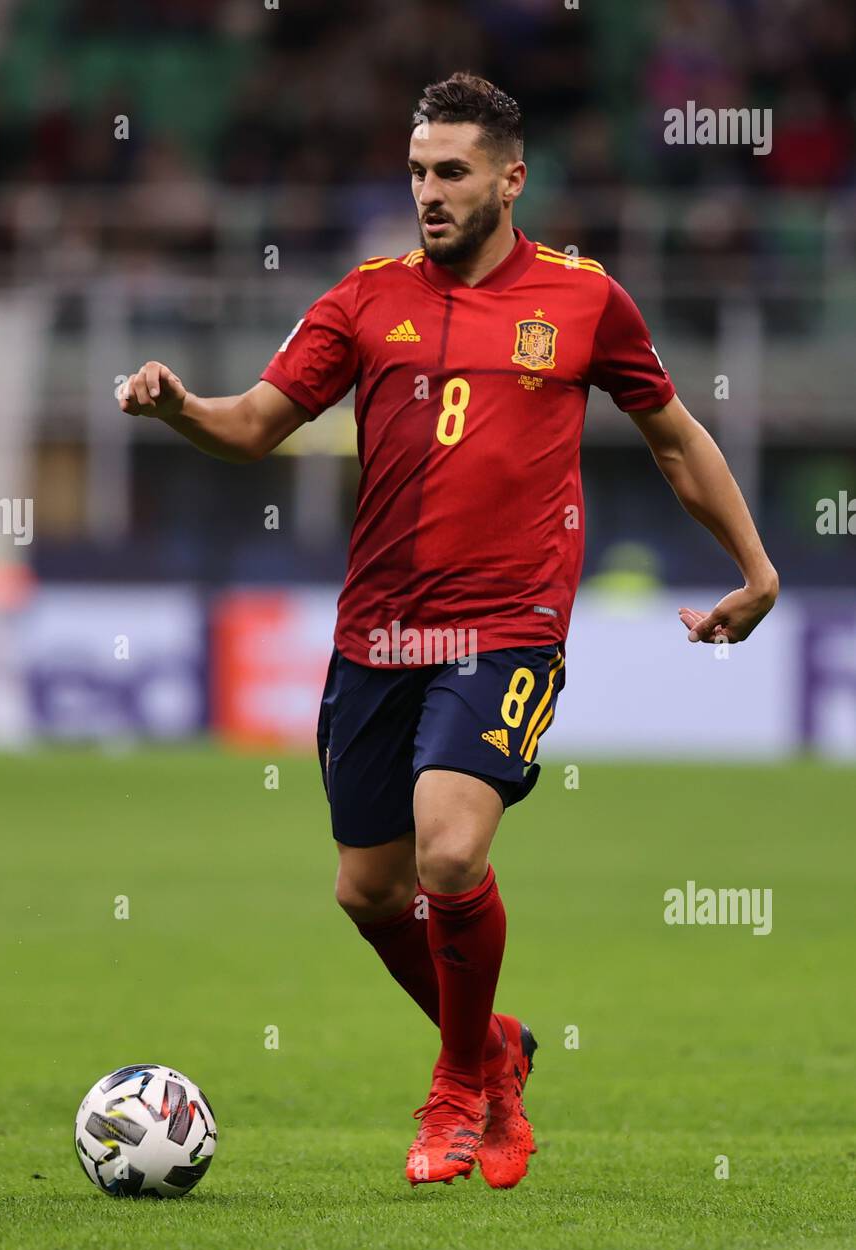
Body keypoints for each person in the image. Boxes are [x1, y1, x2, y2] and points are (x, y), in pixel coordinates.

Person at [119, 72, 779, 1190]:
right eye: (418, 170)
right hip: (378, 631)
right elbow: (256, 427)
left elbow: (673, 439)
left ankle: (456, 1087)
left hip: (507, 624)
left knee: (449, 849)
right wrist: (182, 405)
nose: (428, 191)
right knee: (368, 892)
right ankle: (495, 1053)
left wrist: (755, 571)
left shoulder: (583, 300)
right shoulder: (363, 299)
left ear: (510, 179)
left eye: (452, 172)